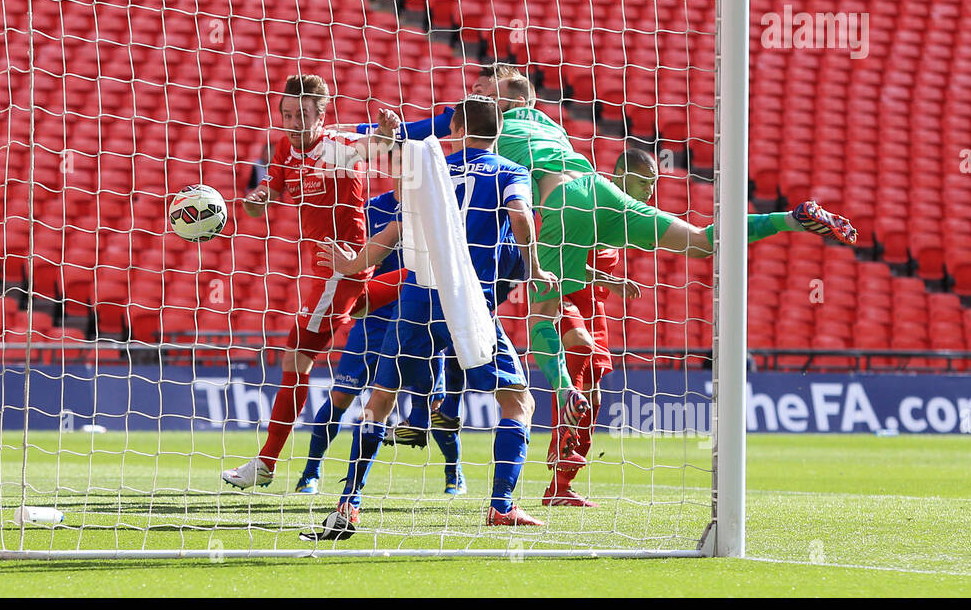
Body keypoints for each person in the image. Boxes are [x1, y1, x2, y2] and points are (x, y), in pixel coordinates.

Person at [469, 64, 858, 433]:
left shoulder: (495, 125)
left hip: (562, 202)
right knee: (703, 243)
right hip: (601, 189)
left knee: (541, 313)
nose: (476, 97)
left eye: (485, 91)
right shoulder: (550, 125)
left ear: (513, 101)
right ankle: (792, 217)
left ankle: (566, 391)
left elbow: (454, 143)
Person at [303, 96, 558, 540]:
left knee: (379, 400)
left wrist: (352, 264)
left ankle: (349, 504)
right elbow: (520, 215)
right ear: (498, 133)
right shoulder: (510, 171)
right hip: (468, 299)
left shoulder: (430, 171)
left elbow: (395, 229)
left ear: (455, 127)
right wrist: (533, 268)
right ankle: (500, 505)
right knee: (518, 402)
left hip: (420, 296)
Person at [223, 74, 400, 489]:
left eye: (301, 114)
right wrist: (256, 201)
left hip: (339, 267)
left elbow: (370, 146)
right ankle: (437, 281)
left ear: (320, 115)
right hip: (325, 270)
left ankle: (266, 463)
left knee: (294, 361)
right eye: (286, 113)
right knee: (407, 290)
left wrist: (386, 134)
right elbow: (267, 195)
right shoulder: (284, 147)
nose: (292, 121)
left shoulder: (336, 146)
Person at [543, 147, 656, 507]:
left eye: (653, 185)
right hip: (564, 297)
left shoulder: (623, 216)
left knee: (594, 395)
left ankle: (561, 486)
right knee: (579, 350)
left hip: (597, 308)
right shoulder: (588, 203)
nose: (649, 192)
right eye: (643, 183)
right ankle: (558, 441)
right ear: (621, 175)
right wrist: (615, 280)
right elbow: (564, 256)